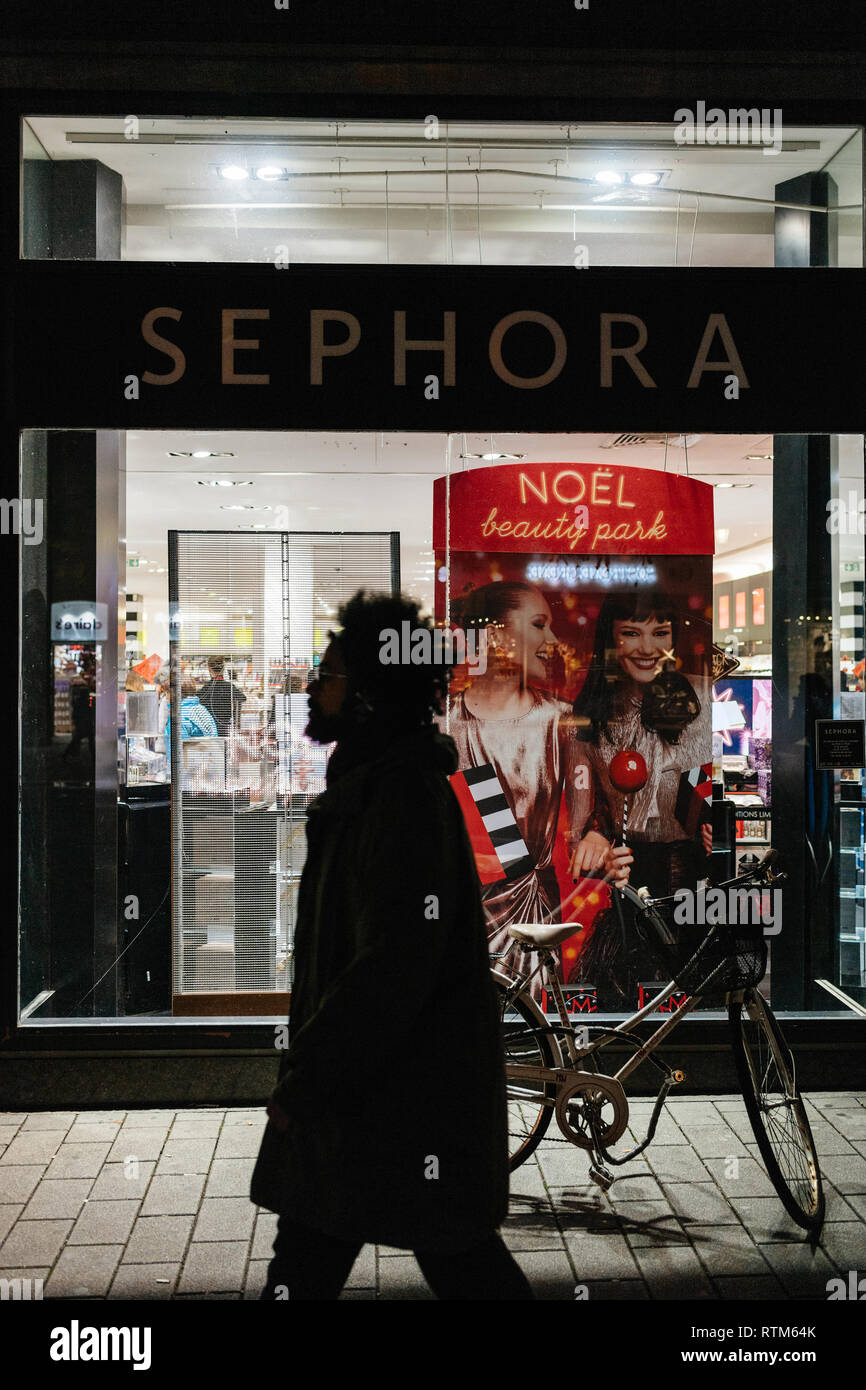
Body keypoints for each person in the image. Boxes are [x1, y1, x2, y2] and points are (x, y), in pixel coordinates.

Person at [251, 590, 533, 1301]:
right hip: (393, 1097)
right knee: (427, 1252)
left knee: (443, 1257)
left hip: (391, 1097)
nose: (316, 686)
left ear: (372, 694)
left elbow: (392, 963)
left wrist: (310, 1074)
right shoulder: (376, 781)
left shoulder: (396, 794)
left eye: (331, 674)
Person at [442, 581, 609, 989]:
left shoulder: (562, 720)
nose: (552, 640)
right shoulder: (443, 722)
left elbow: (597, 811)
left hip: (536, 905)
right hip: (463, 904)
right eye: (538, 624)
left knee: (540, 1028)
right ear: (497, 634)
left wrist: (597, 834)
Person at [569, 589, 713, 1003]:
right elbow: (577, 835)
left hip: (689, 887)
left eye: (660, 632)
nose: (648, 648)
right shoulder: (589, 719)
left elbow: (708, 793)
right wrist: (596, 837)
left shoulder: (701, 699)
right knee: (623, 1000)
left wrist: (713, 833)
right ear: (611, 641)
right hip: (629, 888)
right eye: (632, 633)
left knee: (688, 1003)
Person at [196, 655, 246, 736]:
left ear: (209, 669)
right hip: (225, 728)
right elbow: (242, 698)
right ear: (223, 668)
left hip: (207, 730)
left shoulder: (206, 688)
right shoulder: (229, 687)